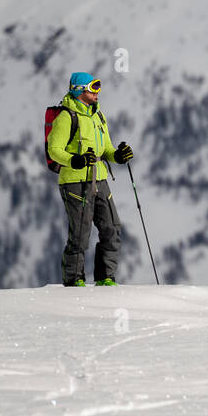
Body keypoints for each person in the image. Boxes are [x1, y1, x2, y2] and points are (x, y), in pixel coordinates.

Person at [46, 72, 135, 286]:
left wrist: (118, 155)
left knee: (111, 228)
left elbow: (105, 149)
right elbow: (54, 150)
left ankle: (105, 276)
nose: (97, 92)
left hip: (100, 178)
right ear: (79, 90)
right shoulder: (67, 117)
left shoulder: (98, 116)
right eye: (93, 88)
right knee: (80, 232)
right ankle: (74, 279)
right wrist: (74, 160)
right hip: (75, 181)